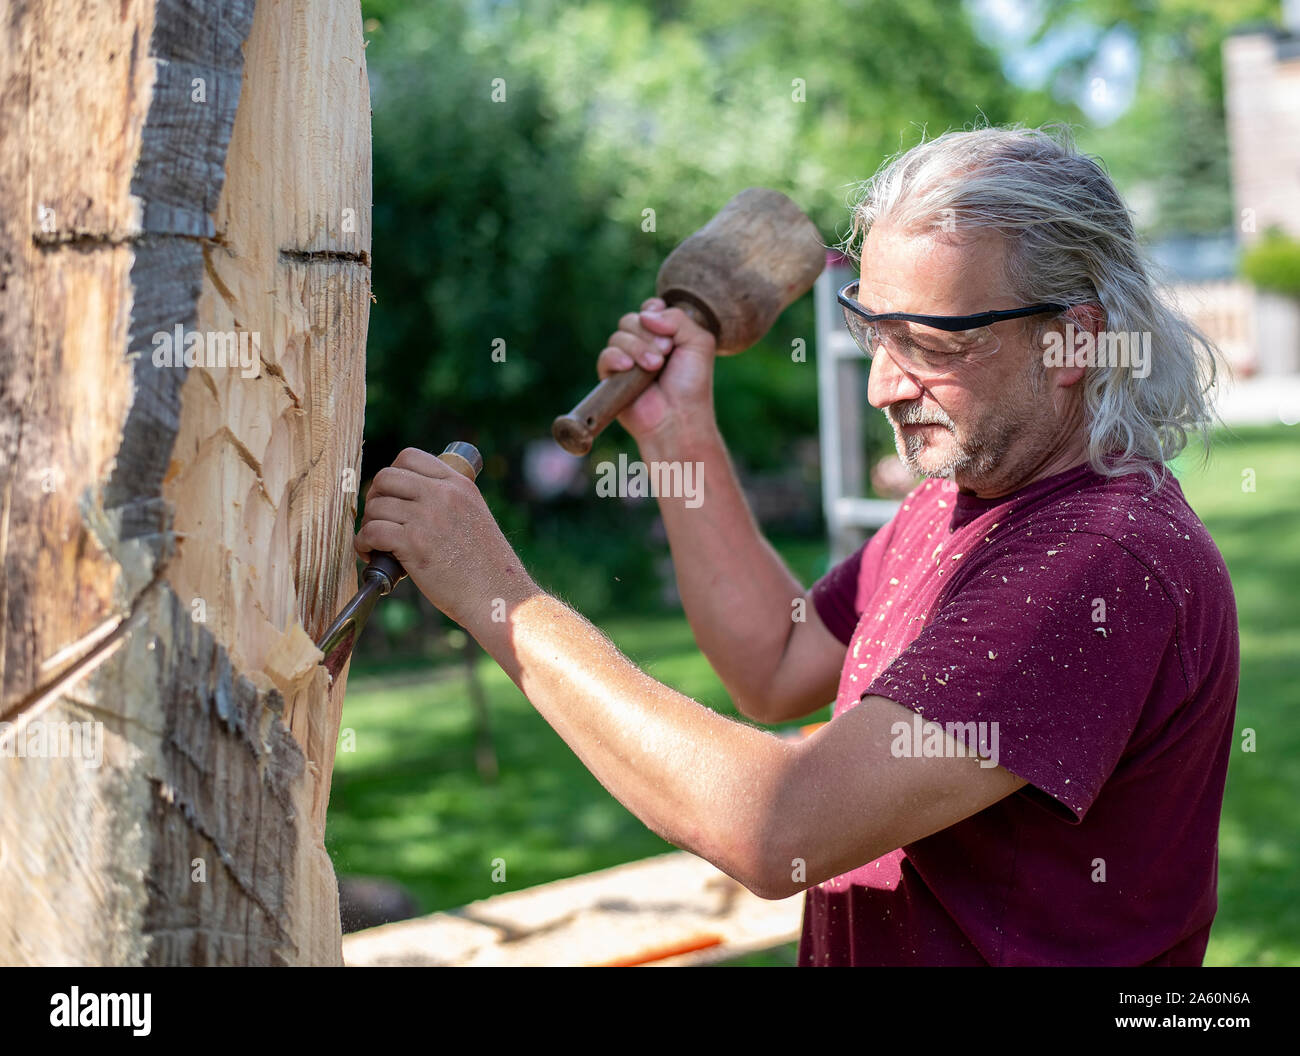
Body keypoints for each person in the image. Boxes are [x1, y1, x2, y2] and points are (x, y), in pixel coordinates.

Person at [355, 125, 1239, 966]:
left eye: (928, 342)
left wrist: (499, 598)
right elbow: (773, 661)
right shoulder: (972, 502)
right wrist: (677, 434)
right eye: (875, 332)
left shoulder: (1102, 565)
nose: (885, 387)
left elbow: (777, 828)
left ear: (1073, 340)